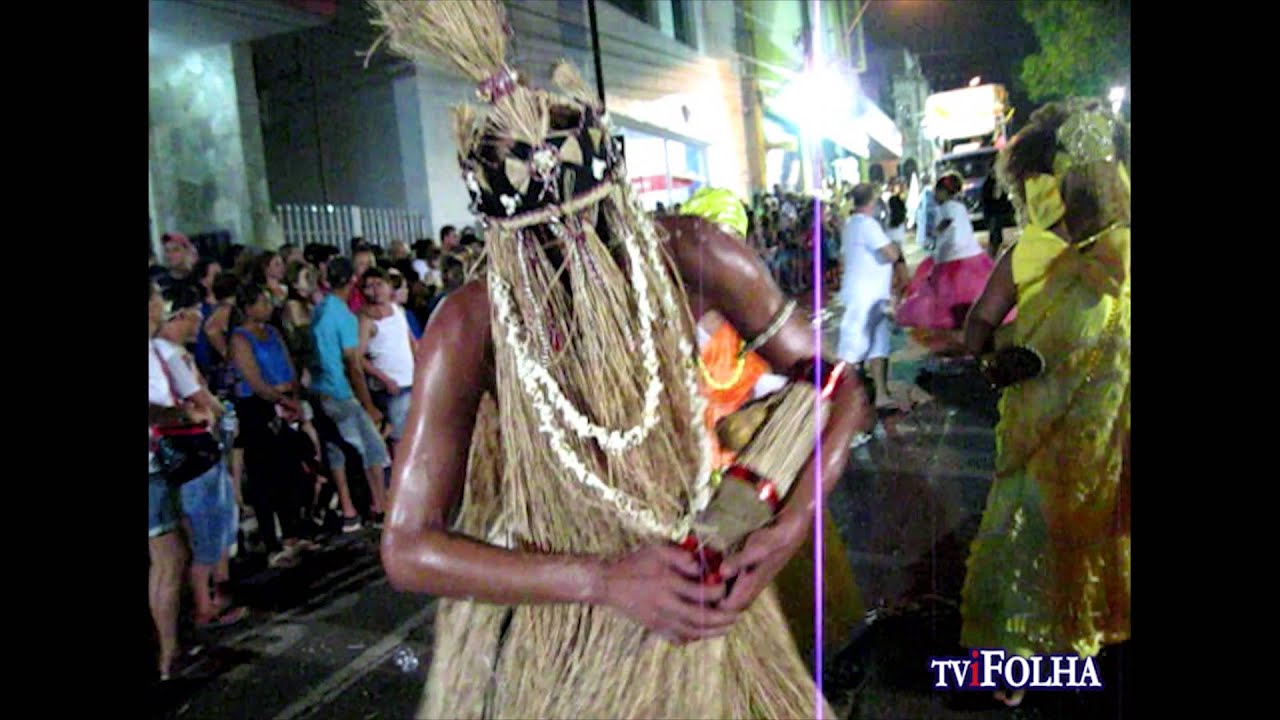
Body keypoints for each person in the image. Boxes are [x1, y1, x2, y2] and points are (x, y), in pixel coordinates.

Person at [366, 3, 872, 717]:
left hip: (707, 605)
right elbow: (408, 548)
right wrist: (601, 580)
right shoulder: (471, 322)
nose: (574, 254)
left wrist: (789, 526)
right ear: (501, 235)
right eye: (542, 243)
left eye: (592, 228)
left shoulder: (691, 253)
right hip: (570, 647)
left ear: (618, 198)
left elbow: (841, 386)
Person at [960, 99, 1130, 708]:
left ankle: (1037, 658)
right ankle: (1050, 648)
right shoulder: (1074, 252)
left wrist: (991, 353)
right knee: (1060, 529)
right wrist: (999, 355)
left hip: (1081, 433)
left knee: (1044, 533)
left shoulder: (1066, 250)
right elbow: (979, 329)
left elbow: (978, 327)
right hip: (1073, 433)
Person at [156, 283, 248, 628]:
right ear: (179, 314)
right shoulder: (169, 354)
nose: (200, 322)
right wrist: (218, 412)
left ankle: (215, 593)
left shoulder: (173, 352)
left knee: (214, 520)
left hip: (195, 446)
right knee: (205, 525)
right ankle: (205, 605)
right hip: (191, 449)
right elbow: (198, 396)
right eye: (196, 314)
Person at [230, 284, 329, 563]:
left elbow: (288, 367)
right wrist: (279, 399)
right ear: (248, 308)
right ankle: (272, 542)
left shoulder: (273, 332)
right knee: (264, 475)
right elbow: (254, 380)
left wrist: (294, 398)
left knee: (291, 470)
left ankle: (293, 532)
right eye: (262, 302)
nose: (268, 307)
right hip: (258, 408)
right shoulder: (240, 338)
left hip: (285, 402)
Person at [310, 257, 390, 529]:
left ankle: (349, 511)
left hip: (320, 390)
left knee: (336, 452)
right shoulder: (343, 316)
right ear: (353, 280)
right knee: (373, 449)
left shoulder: (320, 310)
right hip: (340, 391)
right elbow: (353, 364)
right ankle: (380, 507)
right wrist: (368, 404)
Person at [896, 173, 1008, 345]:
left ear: (943, 192)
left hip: (951, 258)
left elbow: (945, 223)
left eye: (937, 191)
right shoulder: (960, 207)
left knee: (943, 294)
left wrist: (935, 233)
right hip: (972, 255)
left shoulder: (945, 208)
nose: (934, 195)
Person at [837, 183, 908, 413]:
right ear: (872, 202)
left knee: (878, 345)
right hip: (866, 296)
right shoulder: (867, 225)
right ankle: (846, 399)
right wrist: (895, 247)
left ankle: (879, 395)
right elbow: (891, 254)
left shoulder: (850, 224)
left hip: (870, 295)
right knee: (854, 348)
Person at [358, 267, 417, 446]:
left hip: (410, 381)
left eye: (379, 284)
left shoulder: (398, 310)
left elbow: (411, 341)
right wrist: (384, 379)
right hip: (391, 387)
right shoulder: (366, 319)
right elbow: (358, 357)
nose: (375, 290)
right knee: (398, 439)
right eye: (369, 286)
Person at [982, 170, 1016, 258]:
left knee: (996, 235)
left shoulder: (997, 183)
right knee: (995, 235)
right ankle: (993, 255)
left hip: (997, 213)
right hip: (994, 213)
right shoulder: (990, 184)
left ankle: (994, 254)